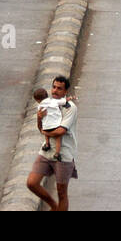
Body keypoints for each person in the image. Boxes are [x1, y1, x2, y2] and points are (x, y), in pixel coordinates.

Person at [25, 75, 78, 211]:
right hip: (46, 152)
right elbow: (40, 127)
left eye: (59, 88)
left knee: (61, 192)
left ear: (65, 91)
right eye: (54, 87)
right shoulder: (47, 104)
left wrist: (46, 133)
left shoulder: (70, 108)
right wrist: (39, 118)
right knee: (32, 183)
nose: (55, 91)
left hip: (63, 154)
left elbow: (60, 131)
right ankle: (53, 206)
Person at [33, 87, 70, 160]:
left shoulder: (40, 106)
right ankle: (57, 153)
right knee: (58, 139)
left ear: (38, 100)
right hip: (56, 125)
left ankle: (47, 144)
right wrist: (68, 99)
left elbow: (40, 116)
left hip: (46, 126)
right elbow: (63, 101)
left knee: (46, 132)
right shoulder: (53, 101)